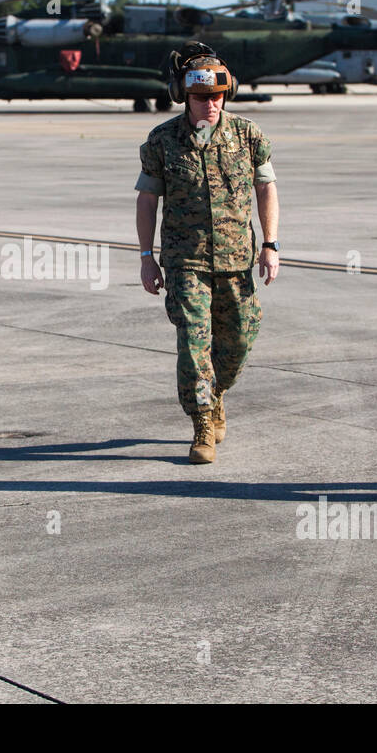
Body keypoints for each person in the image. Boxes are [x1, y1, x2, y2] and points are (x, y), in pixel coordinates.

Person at [135, 45, 280, 463]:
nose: (211, 104)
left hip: (237, 261)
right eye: (202, 97)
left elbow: (266, 188)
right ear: (184, 95)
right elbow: (147, 201)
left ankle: (216, 393)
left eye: (217, 96)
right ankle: (201, 423)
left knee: (238, 341)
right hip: (186, 262)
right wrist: (147, 256)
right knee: (194, 344)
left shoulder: (249, 137)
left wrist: (270, 244)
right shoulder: (163, 140)